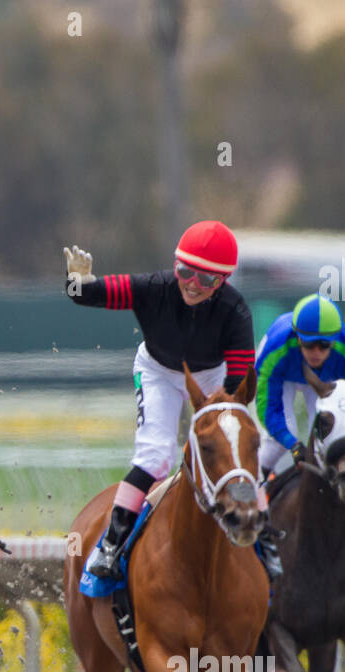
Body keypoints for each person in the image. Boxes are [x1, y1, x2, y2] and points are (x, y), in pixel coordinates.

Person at [64, 219, 275, 580]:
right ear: (174, 266)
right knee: (156, 456)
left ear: (222, 282)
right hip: (158, 371)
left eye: (206, 279)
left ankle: (266, 542)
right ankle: (112, 544)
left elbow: (239, 380)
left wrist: (220, 411)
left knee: (240, 448)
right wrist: (76, 282)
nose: (192, 284)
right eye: (185, 271)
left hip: (215, 377)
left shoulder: (236, 310)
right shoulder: (155, 287)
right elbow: (86, 294)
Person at [256, 293, 345, 549]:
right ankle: (249, 507)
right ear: (297, 336)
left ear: (335, 340)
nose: (316, 352)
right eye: (308, 345)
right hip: (283, 377)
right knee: (274, 445)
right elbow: (269, 410)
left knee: (327, 439)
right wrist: (292, 444)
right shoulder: (276, 347)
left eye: (324, 345)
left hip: (325, 384)